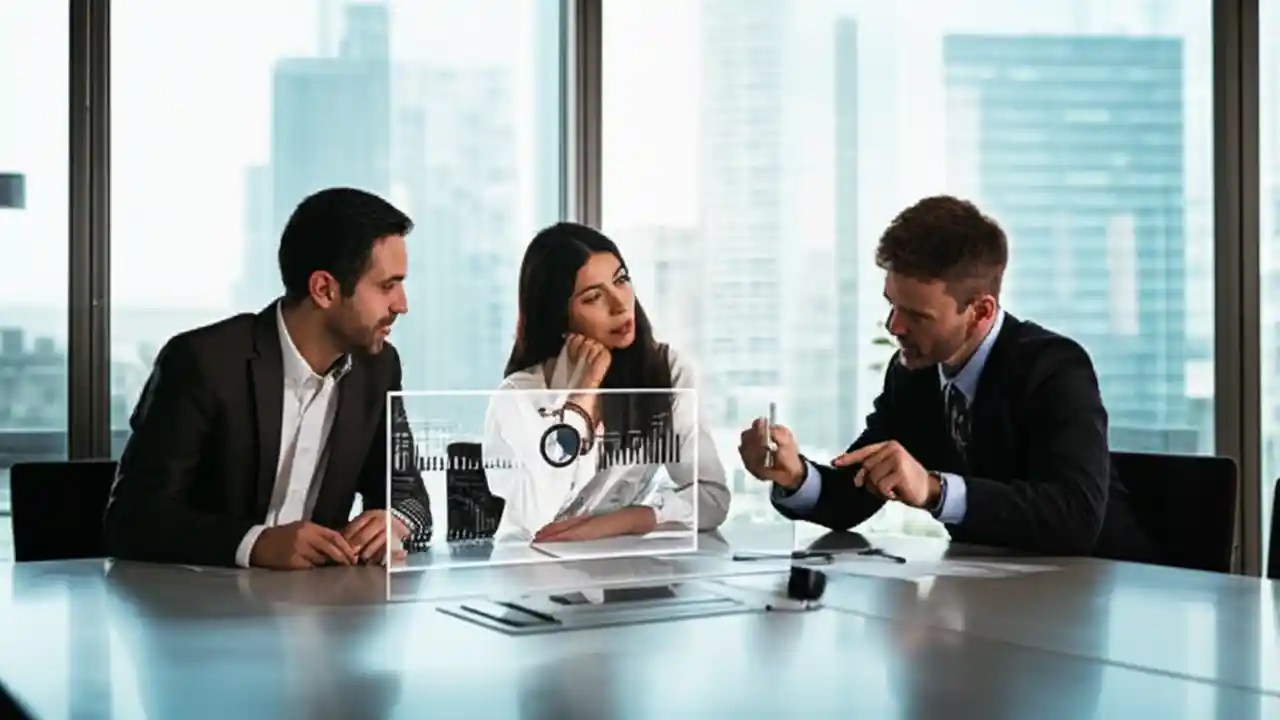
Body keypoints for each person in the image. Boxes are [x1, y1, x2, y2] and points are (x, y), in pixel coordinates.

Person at [739, 195, 1158, 560]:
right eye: (892, 304)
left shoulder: (1053, 367)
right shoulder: (913, 373)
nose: (893, 326)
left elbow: (1074, 519)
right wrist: (793, 475)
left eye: (916, 315)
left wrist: (935, 490)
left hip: (1103, 591)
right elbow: (853, 495)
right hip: (991, 600)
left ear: (981, 312)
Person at [105, 187, 432, 569]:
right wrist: (254, 544)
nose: (402, 305)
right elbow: (131, 521)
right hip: (202, 612)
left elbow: (410, 496)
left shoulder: (378, 367)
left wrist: (394, 520)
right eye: (387, 286)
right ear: (324, 289)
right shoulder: (203, 362)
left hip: (328, 614)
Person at [482, 222, 730, 542]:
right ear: (557, 315)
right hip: (531, 573)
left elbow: (713, 498)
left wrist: (631, 519)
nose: (619, 304)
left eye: (621, 280)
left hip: (618, 567)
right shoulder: (519, 395)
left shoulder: (666, 371)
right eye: (593, 297)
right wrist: (582, 396)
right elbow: (536, 519)